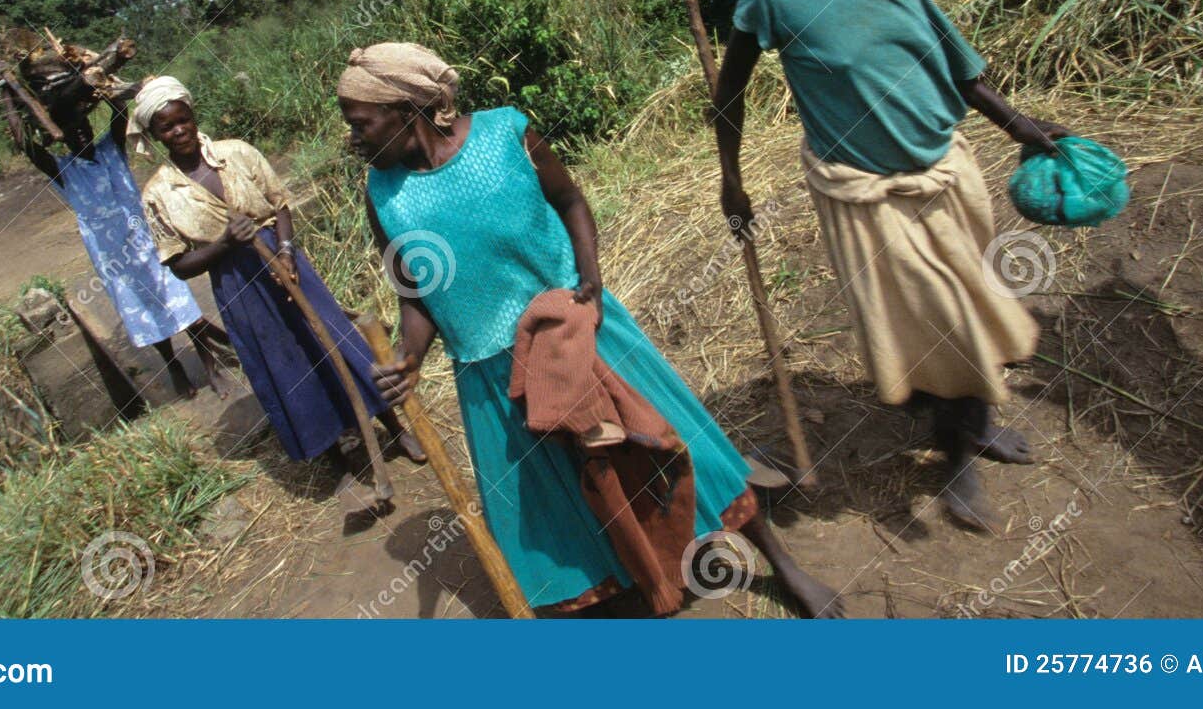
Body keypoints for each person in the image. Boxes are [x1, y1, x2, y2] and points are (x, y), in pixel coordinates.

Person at [339, 42, 840, 616]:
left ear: (406, 109)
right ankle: (634, 583)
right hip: (491, 373)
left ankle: (786, 568)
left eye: (361, 123)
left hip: (578, 331)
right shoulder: (384, 197)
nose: (354, 137)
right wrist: (409, 355)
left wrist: (592, 276)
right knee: (557, 506)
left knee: (677, 442)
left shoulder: (507, 137)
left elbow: (570, 199)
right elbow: (417, 297)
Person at [712, 0, 1072, 531]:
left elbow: (946, 51)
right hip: (861, 189)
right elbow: (729, 94)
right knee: (942, 318)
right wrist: (731, 180)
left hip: (943, 169)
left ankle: (968, 416)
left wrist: (1017, 123)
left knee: (959, 308)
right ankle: (958, 451)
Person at [132, 77, 423, 482]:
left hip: (286, 262)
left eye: (183, 120)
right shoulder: (159, 193)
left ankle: (394, 429)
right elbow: (179, 266)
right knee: (288, 367)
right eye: (166, 127)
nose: (179, 130)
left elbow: (280, 204)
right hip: (237, 284)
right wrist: (224, 243)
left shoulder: (236, 153)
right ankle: (337, 459)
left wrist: (287, 254)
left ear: (193, 116)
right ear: (154, 134)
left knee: (336, 341)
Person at [24, 80, 231, 400]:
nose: (80, 135)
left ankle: (209, 363)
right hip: (112, 257)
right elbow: (27, 147)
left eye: (83, 128)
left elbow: (120, 110)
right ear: (61, 137)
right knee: (142, 308)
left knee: (177, 295)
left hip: (148, 239)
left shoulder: (110, 150)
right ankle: (173, 365)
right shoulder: (64, 170)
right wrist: (12, 99)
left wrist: (94, 81)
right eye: (71, 132)